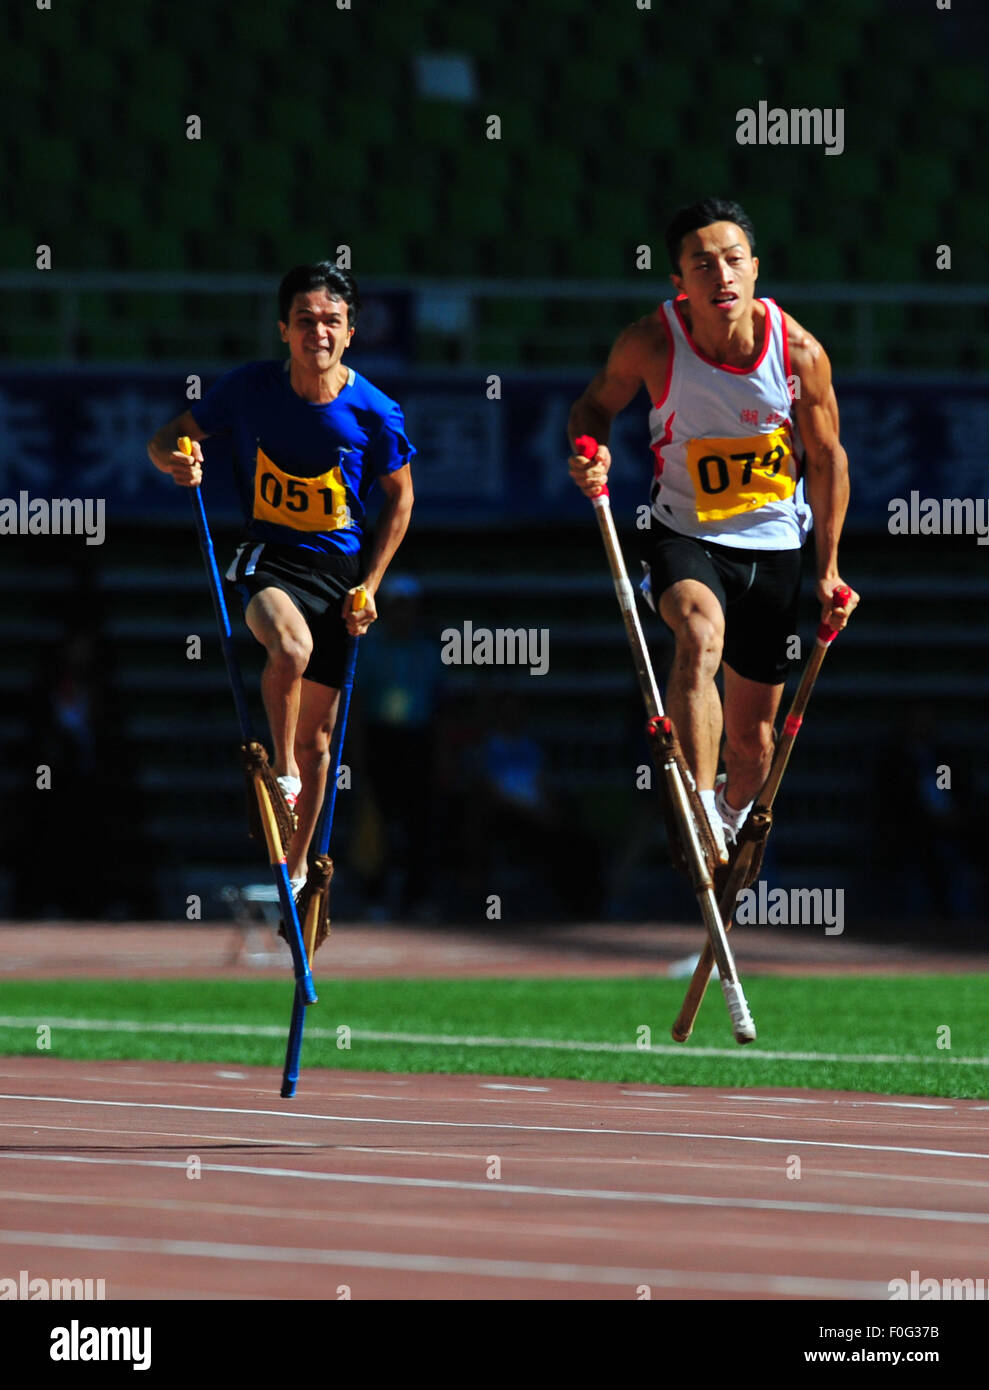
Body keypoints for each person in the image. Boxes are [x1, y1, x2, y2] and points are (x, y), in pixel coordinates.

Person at [568, 198, 859, 860]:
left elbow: (825, 457)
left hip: (775, 549)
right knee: (696, 636)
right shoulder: (650, 342)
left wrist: (830, 567)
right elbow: (593, 403)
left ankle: (728, 811)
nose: (720, 276)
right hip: (684, 535)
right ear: (679, 283)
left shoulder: (801, 354)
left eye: (732, 261)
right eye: (702, 264)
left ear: (754, 270)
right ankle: (696, 806)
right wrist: (590, 446)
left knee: (754, 749)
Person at [148, 262, 415, 895]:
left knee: (322, 738)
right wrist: (176, 463)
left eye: (330, 322)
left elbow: (400, 501)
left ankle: (295, 874)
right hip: (267, 559)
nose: (316, 333)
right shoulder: (248, 389)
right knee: (288, 649)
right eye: (304, 321)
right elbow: (167, 438)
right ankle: (282, 778)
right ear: (282, 329)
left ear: (350, 332)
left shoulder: (376, 412)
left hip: (339, 575)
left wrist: (371, 585)